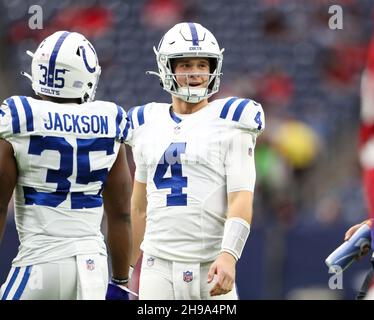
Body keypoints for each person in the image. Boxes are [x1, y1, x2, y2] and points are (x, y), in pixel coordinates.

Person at [128, 22, 265, 299]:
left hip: (212, 264)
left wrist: (229, 255)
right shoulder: (144, 122)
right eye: (186, 65)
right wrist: (128, 269)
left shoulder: (232, 119)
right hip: (158, 266)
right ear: (167, 67)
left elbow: (240, 198)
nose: (196, 73)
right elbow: (139, 206)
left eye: (203, 65)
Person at [0, 31, 132, 300]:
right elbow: (121, 213)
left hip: (40, 264)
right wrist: (119, 282)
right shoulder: (110, 119)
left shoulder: (20, 116)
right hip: (92, 266)